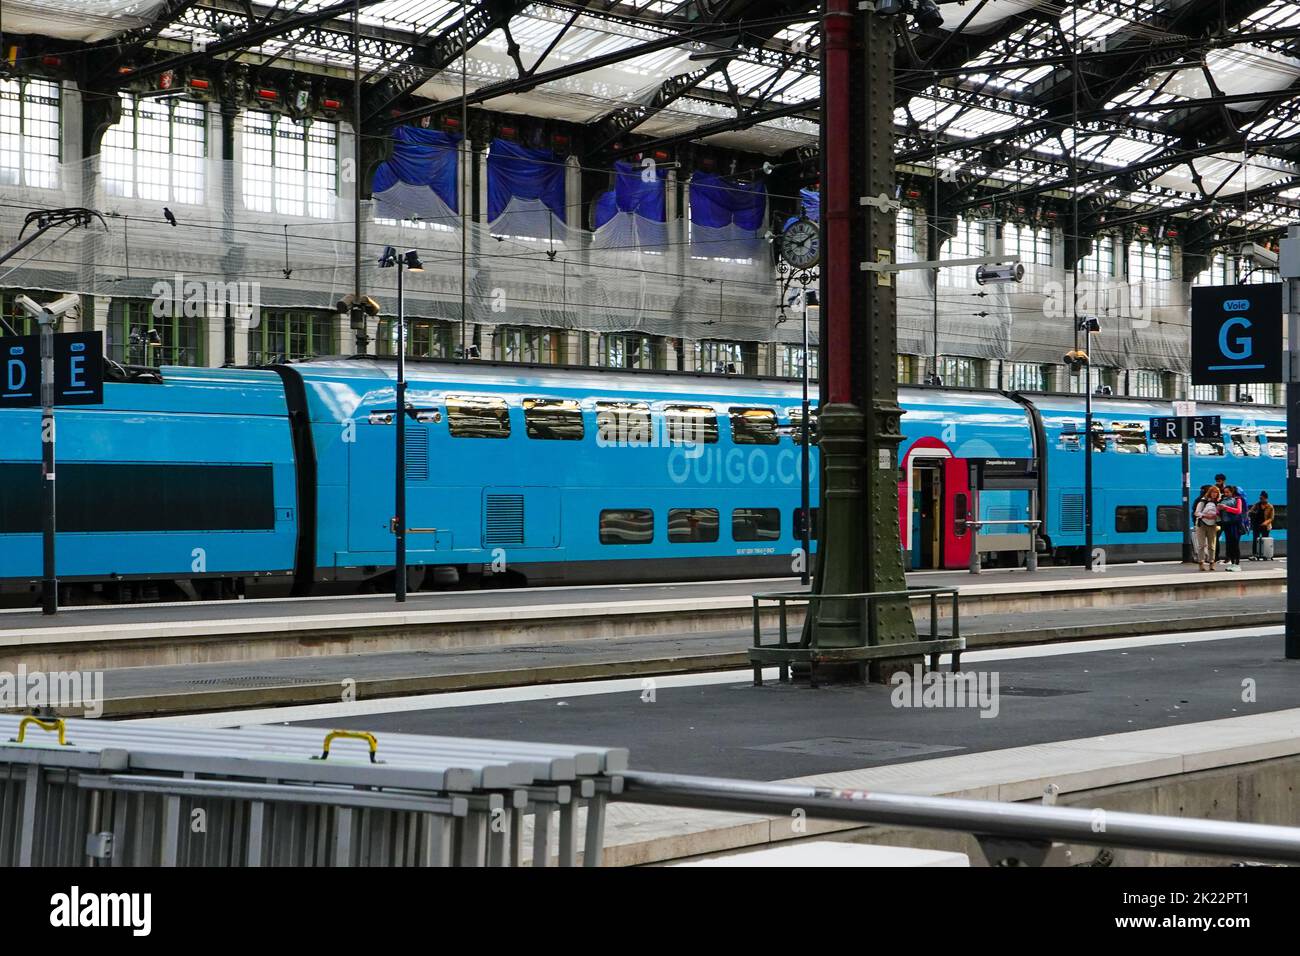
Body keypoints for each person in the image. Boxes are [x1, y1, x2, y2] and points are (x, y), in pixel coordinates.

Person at [1194, 485, 1221, 571]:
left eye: (1216, 493)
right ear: (1210, 493)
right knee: (1201, 545)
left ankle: (1211, 562)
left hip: (1213, 525)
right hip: (1201, 524)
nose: (1214, 494)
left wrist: (1215, 516)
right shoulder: (1203, 501)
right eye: (1213, 492)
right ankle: (1201, 562)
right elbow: (1197, 513)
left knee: (1212, 545)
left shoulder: (1219, 503)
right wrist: (1205, 515)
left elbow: (1221, 515)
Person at [1219, 485, 1244, 571]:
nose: (1226, 494)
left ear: (1232, 492)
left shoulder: (1238, 499)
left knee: (1235, 544)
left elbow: (1238, 511)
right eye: (1225, 492)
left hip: (1235, 525)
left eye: (1228, 492)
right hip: (1227, 525)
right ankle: (1232, 563)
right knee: (1229, 545)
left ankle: (1237, 564)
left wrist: (1225, 508)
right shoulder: (1223, 500)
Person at [1250, 491, 1275, 560]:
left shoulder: (1270, 506)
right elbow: (1250, 511)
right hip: (1256, 524)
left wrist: (1266, 522)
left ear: (1266, 498)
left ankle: (1265, 554)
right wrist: (1254, 513)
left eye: (1263, 498)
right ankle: (1255, 554)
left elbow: (1271, 518)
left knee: (1265, 540)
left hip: (1265, 525)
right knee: (1255, 539)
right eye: (1260, 498)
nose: (1261, 500)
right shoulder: (1257, 504)